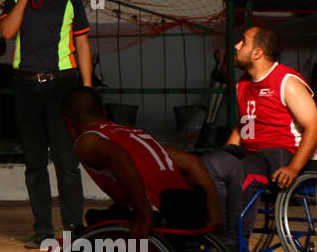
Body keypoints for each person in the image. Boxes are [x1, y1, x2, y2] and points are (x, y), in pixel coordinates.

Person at [0, 0, 92, 248]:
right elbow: (8, 32)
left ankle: (74, 228)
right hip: (26, 87)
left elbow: (82, 45)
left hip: (62, 85)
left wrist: (87, 91)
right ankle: (42, 230)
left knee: (66, 160)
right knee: (34, 162)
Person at [201, 26, 317, 245]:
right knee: (209, 164)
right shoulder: (243, 83)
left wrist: (294, 167)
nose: (236, 46)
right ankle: (215, 237)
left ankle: (233, 246)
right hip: (253, 153)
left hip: (285, 155)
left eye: (243, 42)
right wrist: (226, 153)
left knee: (244, 171)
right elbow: (244, 125)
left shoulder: (287, 81)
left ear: (257, 53)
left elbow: (314, 127)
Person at [59, 87, 221, 239]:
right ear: (103, 113)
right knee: (112, 213)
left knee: (88, 224)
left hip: (159, 219)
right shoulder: (134, 134)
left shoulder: (86, 141)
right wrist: (215, 214)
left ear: (69, 124)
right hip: (188, 215)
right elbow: (193, 162)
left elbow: (120, 158)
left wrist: (144, 215)